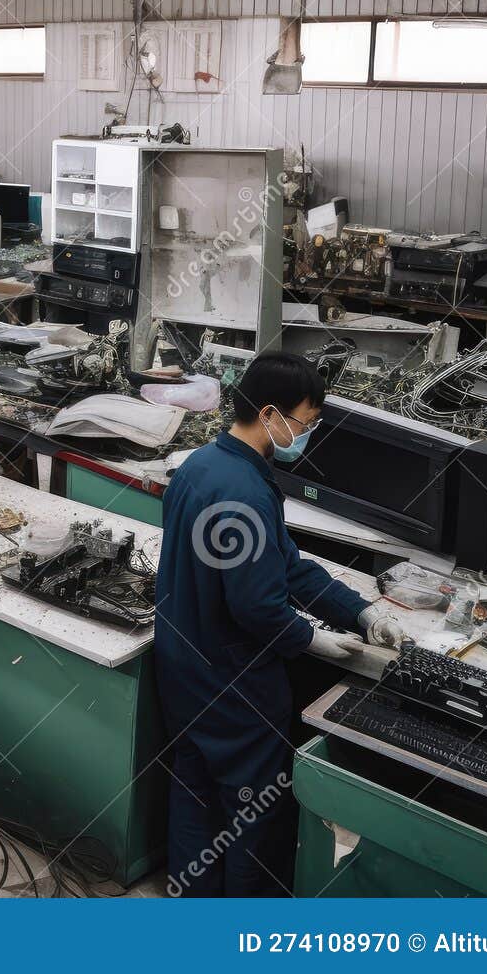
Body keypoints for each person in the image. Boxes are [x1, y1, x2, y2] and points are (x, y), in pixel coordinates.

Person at [155, 351, 404, 897]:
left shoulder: (202, 466)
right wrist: (314, 639)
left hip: (183, 668)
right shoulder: (244, 490)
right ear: (270, 412)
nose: (305, 433)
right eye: (306, 422)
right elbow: (259, 607)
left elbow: (284, 563)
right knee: (250, 815)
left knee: (195, 796)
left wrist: (359, 611)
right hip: (233, 682)